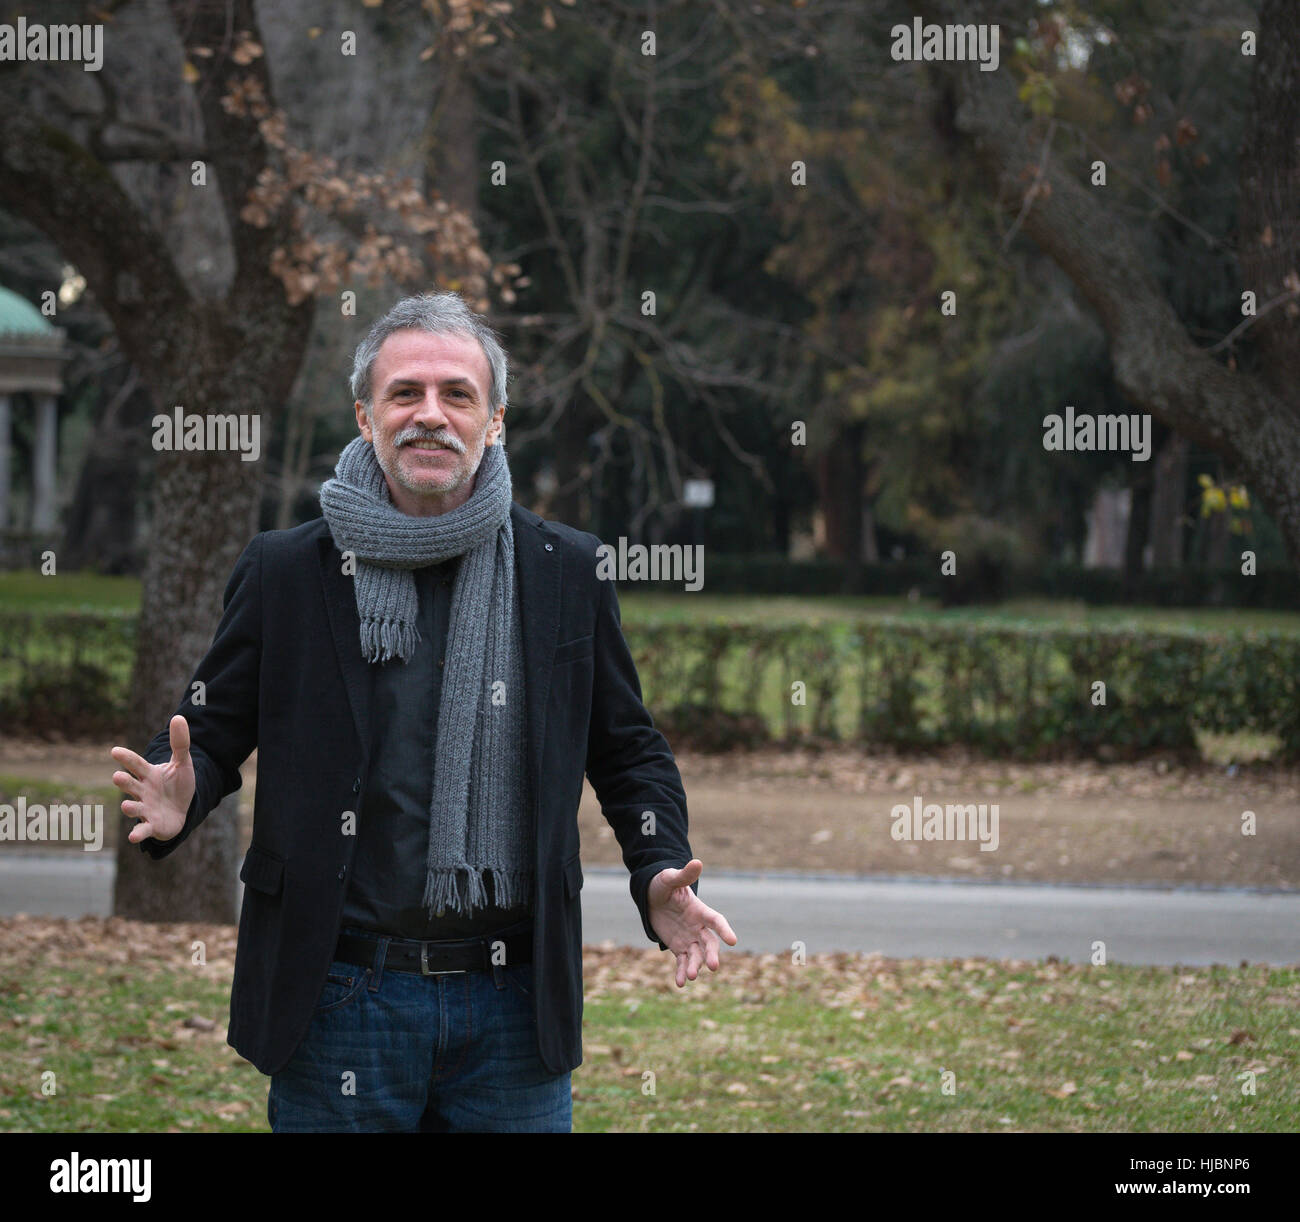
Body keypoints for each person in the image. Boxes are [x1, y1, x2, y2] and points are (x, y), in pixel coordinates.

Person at [110, 291, 737, 1132]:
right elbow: (209, 729)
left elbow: (626, 752)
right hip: (338, 998)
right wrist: (180, 790)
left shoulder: (565, 569)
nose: (430, 415)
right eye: (405, 394)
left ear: (497, 419)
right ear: (365, 415)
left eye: (457, 394)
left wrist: (659, 867)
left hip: (514, 1006)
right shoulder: (288, 570)